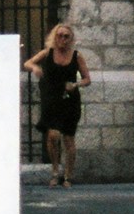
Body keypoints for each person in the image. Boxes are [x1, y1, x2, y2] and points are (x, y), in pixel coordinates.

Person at [25, 23, 90, 187]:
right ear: (55, 37)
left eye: (66, 36)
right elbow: (28, 63)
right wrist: (35, 68)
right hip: (51, 99)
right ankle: (55, 171)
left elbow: (87, 79)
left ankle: (68, 176)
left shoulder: (76, 56)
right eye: (60, 35)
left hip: (69, 100)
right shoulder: (47, 53)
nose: (63, 39)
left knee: (68, 138)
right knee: (53, 136)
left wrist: (75, 84)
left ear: (71, 39)